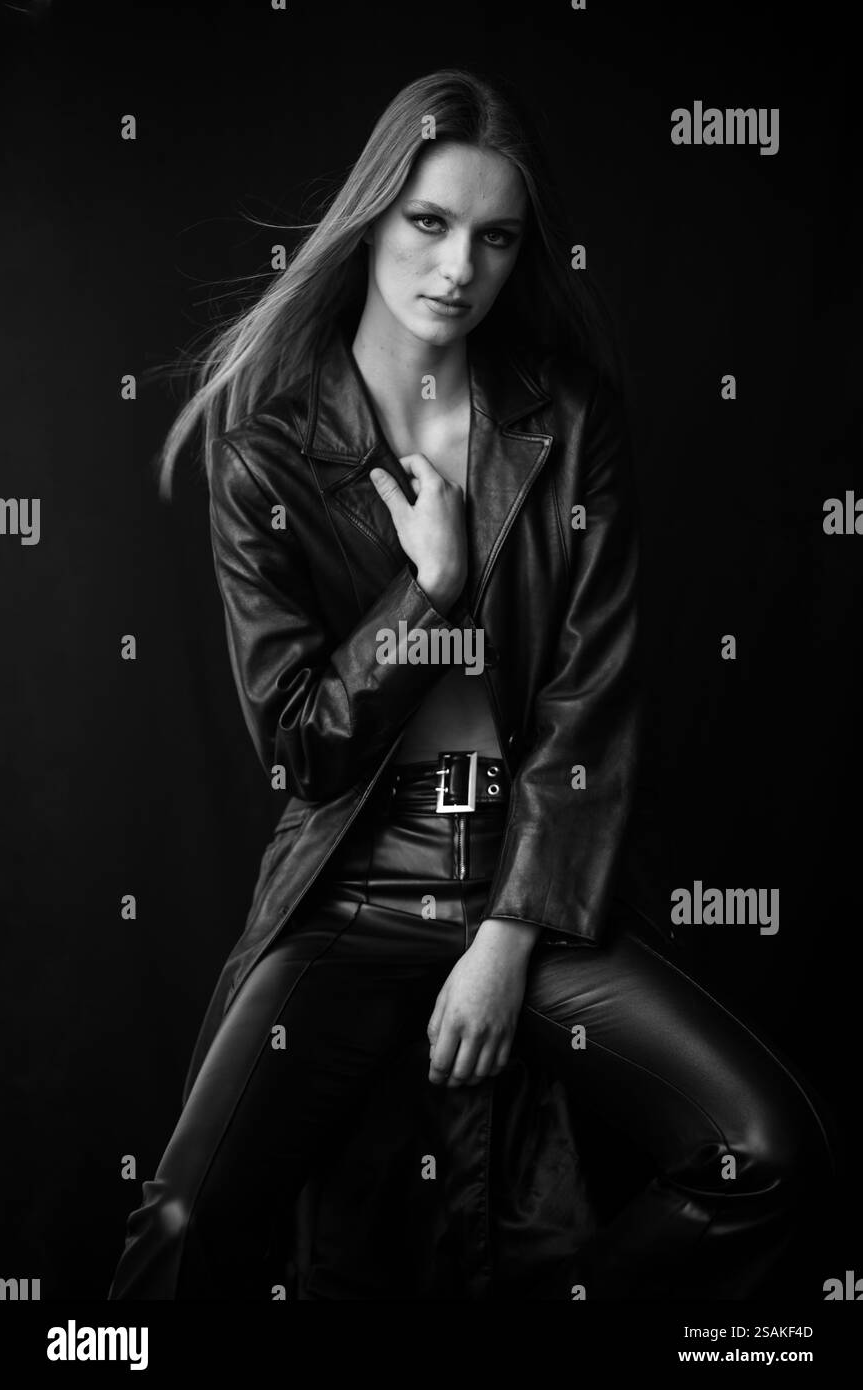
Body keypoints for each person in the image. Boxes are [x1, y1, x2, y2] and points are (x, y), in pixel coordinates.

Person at [107, 68, 835, 1301]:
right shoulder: (266, 447)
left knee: (763, 1149)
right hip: (352, 885)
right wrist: (427, 594)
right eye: (429, 224)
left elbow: (590, 700)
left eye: (495, 238)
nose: (458, 267)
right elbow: (301, 747)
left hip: (525, 874)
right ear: (370, 219)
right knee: (180, 1220)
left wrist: (506, 936)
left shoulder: (564, 418)